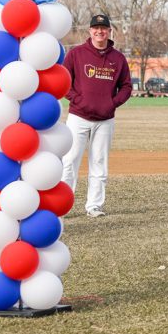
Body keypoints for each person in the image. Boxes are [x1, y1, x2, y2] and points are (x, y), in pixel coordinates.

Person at [60, 14, 132, 218]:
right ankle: (63, 206)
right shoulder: (76, 54)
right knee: (70, 161)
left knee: (99, 163)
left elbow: (126, 86)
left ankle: (94, 205)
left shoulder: (117, 58)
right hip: (78, 116)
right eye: (96, 28)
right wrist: (78, 100)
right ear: (90, 31)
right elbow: (64, 81)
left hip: (105, 119)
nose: (100, 31)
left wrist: (112, 103)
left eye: (104, 28)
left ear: (109, 31)